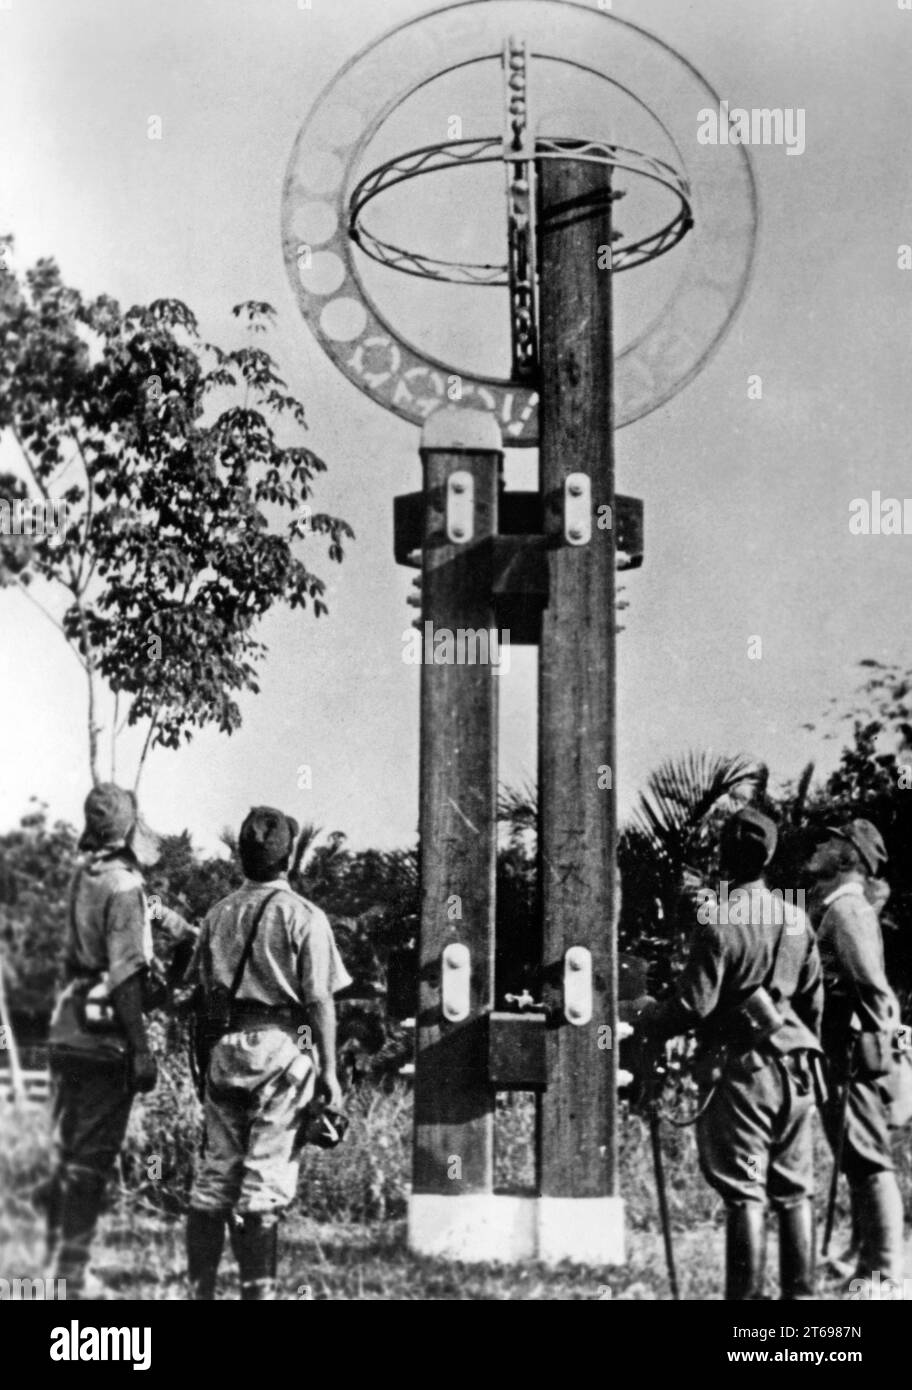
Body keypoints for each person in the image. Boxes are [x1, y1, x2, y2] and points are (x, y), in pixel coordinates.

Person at [637, 807, 824, 1300]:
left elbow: (692, 1006)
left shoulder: (719, 920)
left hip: (745, 1072)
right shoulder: (797, 918)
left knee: (746, 1191)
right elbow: (812, 1001)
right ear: (770, 856)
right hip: (797, 1067)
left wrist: (644, 1015)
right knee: (794, 1190)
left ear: (724, 855)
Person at [184, 806, 351, 1300]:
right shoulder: (304, 916)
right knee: (263, 1188)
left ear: (241, 855)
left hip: (225, 1051)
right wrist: (331, 1075)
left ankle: (201, 1293)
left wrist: (206, 1063)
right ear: (289, 857)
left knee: (214, 1181)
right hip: (280, 1052)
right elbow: (319, 1000)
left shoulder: (217, 914)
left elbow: (202, 995)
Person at [43, 783, 192, 1298]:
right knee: (91, 1159)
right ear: (130, 828)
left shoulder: (80, 878)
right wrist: (142, 1046)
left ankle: (52, 1270)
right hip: (106, 1033)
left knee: (64, 1153)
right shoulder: (125, 885)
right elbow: (128, 971)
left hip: (67, 1028)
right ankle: (70, 1277)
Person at [807, 819, 911, 1288]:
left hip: (855, 1052)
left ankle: (886, 1273)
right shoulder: (837, 907)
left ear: (848, 856)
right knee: (855, 1158)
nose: (821, 846)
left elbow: (872, 988)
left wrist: (873, 1042)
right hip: (845, 1049)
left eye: (832, 841)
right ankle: (862, 1258)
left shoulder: (846, 910)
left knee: (869, 1160)